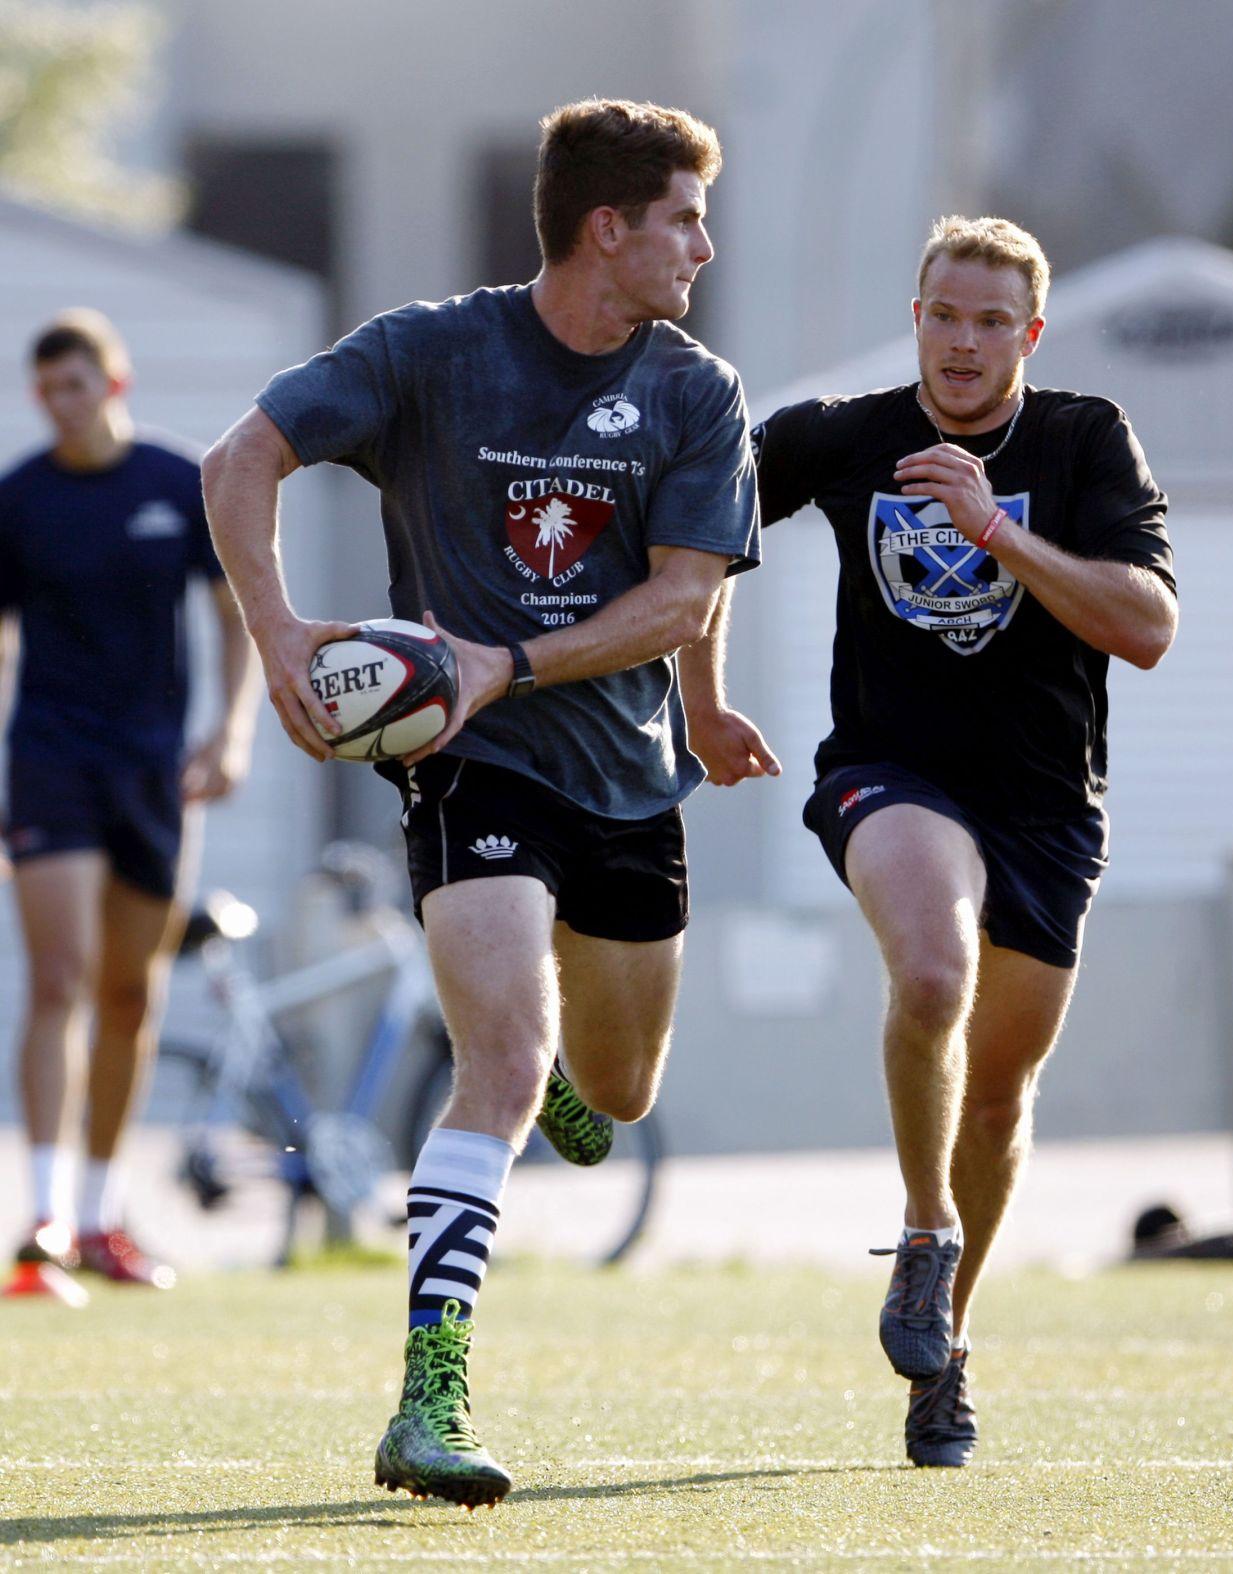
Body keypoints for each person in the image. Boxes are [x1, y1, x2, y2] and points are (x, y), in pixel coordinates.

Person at [202, 98, 776, 1507]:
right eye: (684, 220)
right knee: (503, 1066)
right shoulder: (427, 351)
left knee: (615, 1091)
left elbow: (684, 597)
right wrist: (279, 636)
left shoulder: (697, 391)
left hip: (628, 780)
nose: (702, 248)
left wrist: (545, 670)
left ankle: (564, 1070)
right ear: (608, 227)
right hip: (472, 762)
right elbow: (237, 460)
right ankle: (429, 1396)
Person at [751, 216, 1177, 1467]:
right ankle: (925, 1227)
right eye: (943, 313)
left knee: (994, 1096)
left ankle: (946, 1349)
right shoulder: (846, 434)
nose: (962, 341)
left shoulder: (1083, 439)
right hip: (890, 774)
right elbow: (692, 527)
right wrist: (701, 695)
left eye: (991, 321)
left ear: (1029, 334)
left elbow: (1147, 627)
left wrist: (995, 530)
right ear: (916, 315)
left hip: (1044, 807)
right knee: (933, 971)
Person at [0, 310, 259, 1289]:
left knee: (129, 990)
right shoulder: (20, 499)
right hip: (50, 761)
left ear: (115, 383)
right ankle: (43, 1217)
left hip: (153, 769)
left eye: (77, 385)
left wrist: (230, 732)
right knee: (58, 975)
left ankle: (102, 1217)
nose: (62, 404)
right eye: (46, 391)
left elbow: (234, 613)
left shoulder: (175, 482)